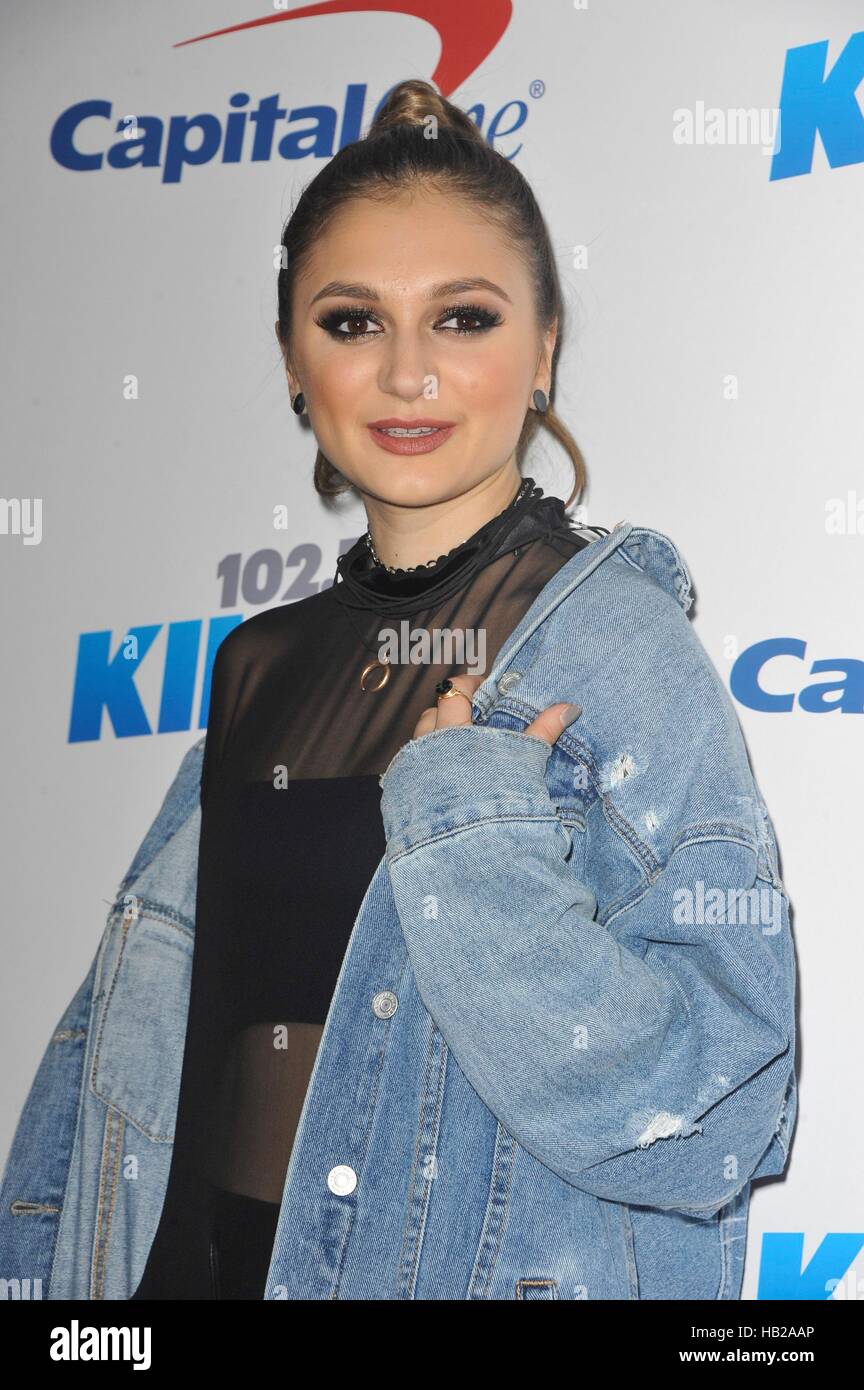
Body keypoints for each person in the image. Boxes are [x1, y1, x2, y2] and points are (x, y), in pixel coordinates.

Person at [1, 77, 796, 1302]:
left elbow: (717, 1113)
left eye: (464, 318)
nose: (409, 371)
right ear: (292, 365)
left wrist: (478, 853)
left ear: (543, 353)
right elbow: (168, 1045)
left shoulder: (619, 652)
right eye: (354, 321)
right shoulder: (257, 661)